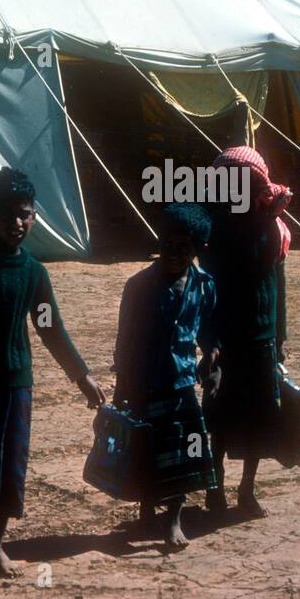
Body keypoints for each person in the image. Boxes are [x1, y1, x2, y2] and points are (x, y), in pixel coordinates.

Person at [0, 167, 106, 577]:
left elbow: (49, 327)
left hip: (13, 385)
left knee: (8, 464)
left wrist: (82, 376)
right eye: (7, 214)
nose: (17, 223)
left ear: (35, 215)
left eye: (25, 214)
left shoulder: (33, 273)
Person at [111, 203, 218, 550]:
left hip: (183, 381)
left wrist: (213, 357)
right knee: (148, 449)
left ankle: (173, 519)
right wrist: (122, 387)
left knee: (185, 454)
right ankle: (146, 510)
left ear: (196, 248)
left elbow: (209, 329)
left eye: (182, 248)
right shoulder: (139, 286)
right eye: (167, 245)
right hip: (146, 382)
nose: (172, 254)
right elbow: (124, 339)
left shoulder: (204, 285)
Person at [200, 146, 291, 518]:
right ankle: (215, 484)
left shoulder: (272, 226)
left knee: (258, 416)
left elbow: (279, 283)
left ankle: (247, 489)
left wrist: (280, 335)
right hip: (225, 340)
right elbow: (206, 289)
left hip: (261, 338)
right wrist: (209, 343)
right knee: (220, 414)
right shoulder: (214, 231)